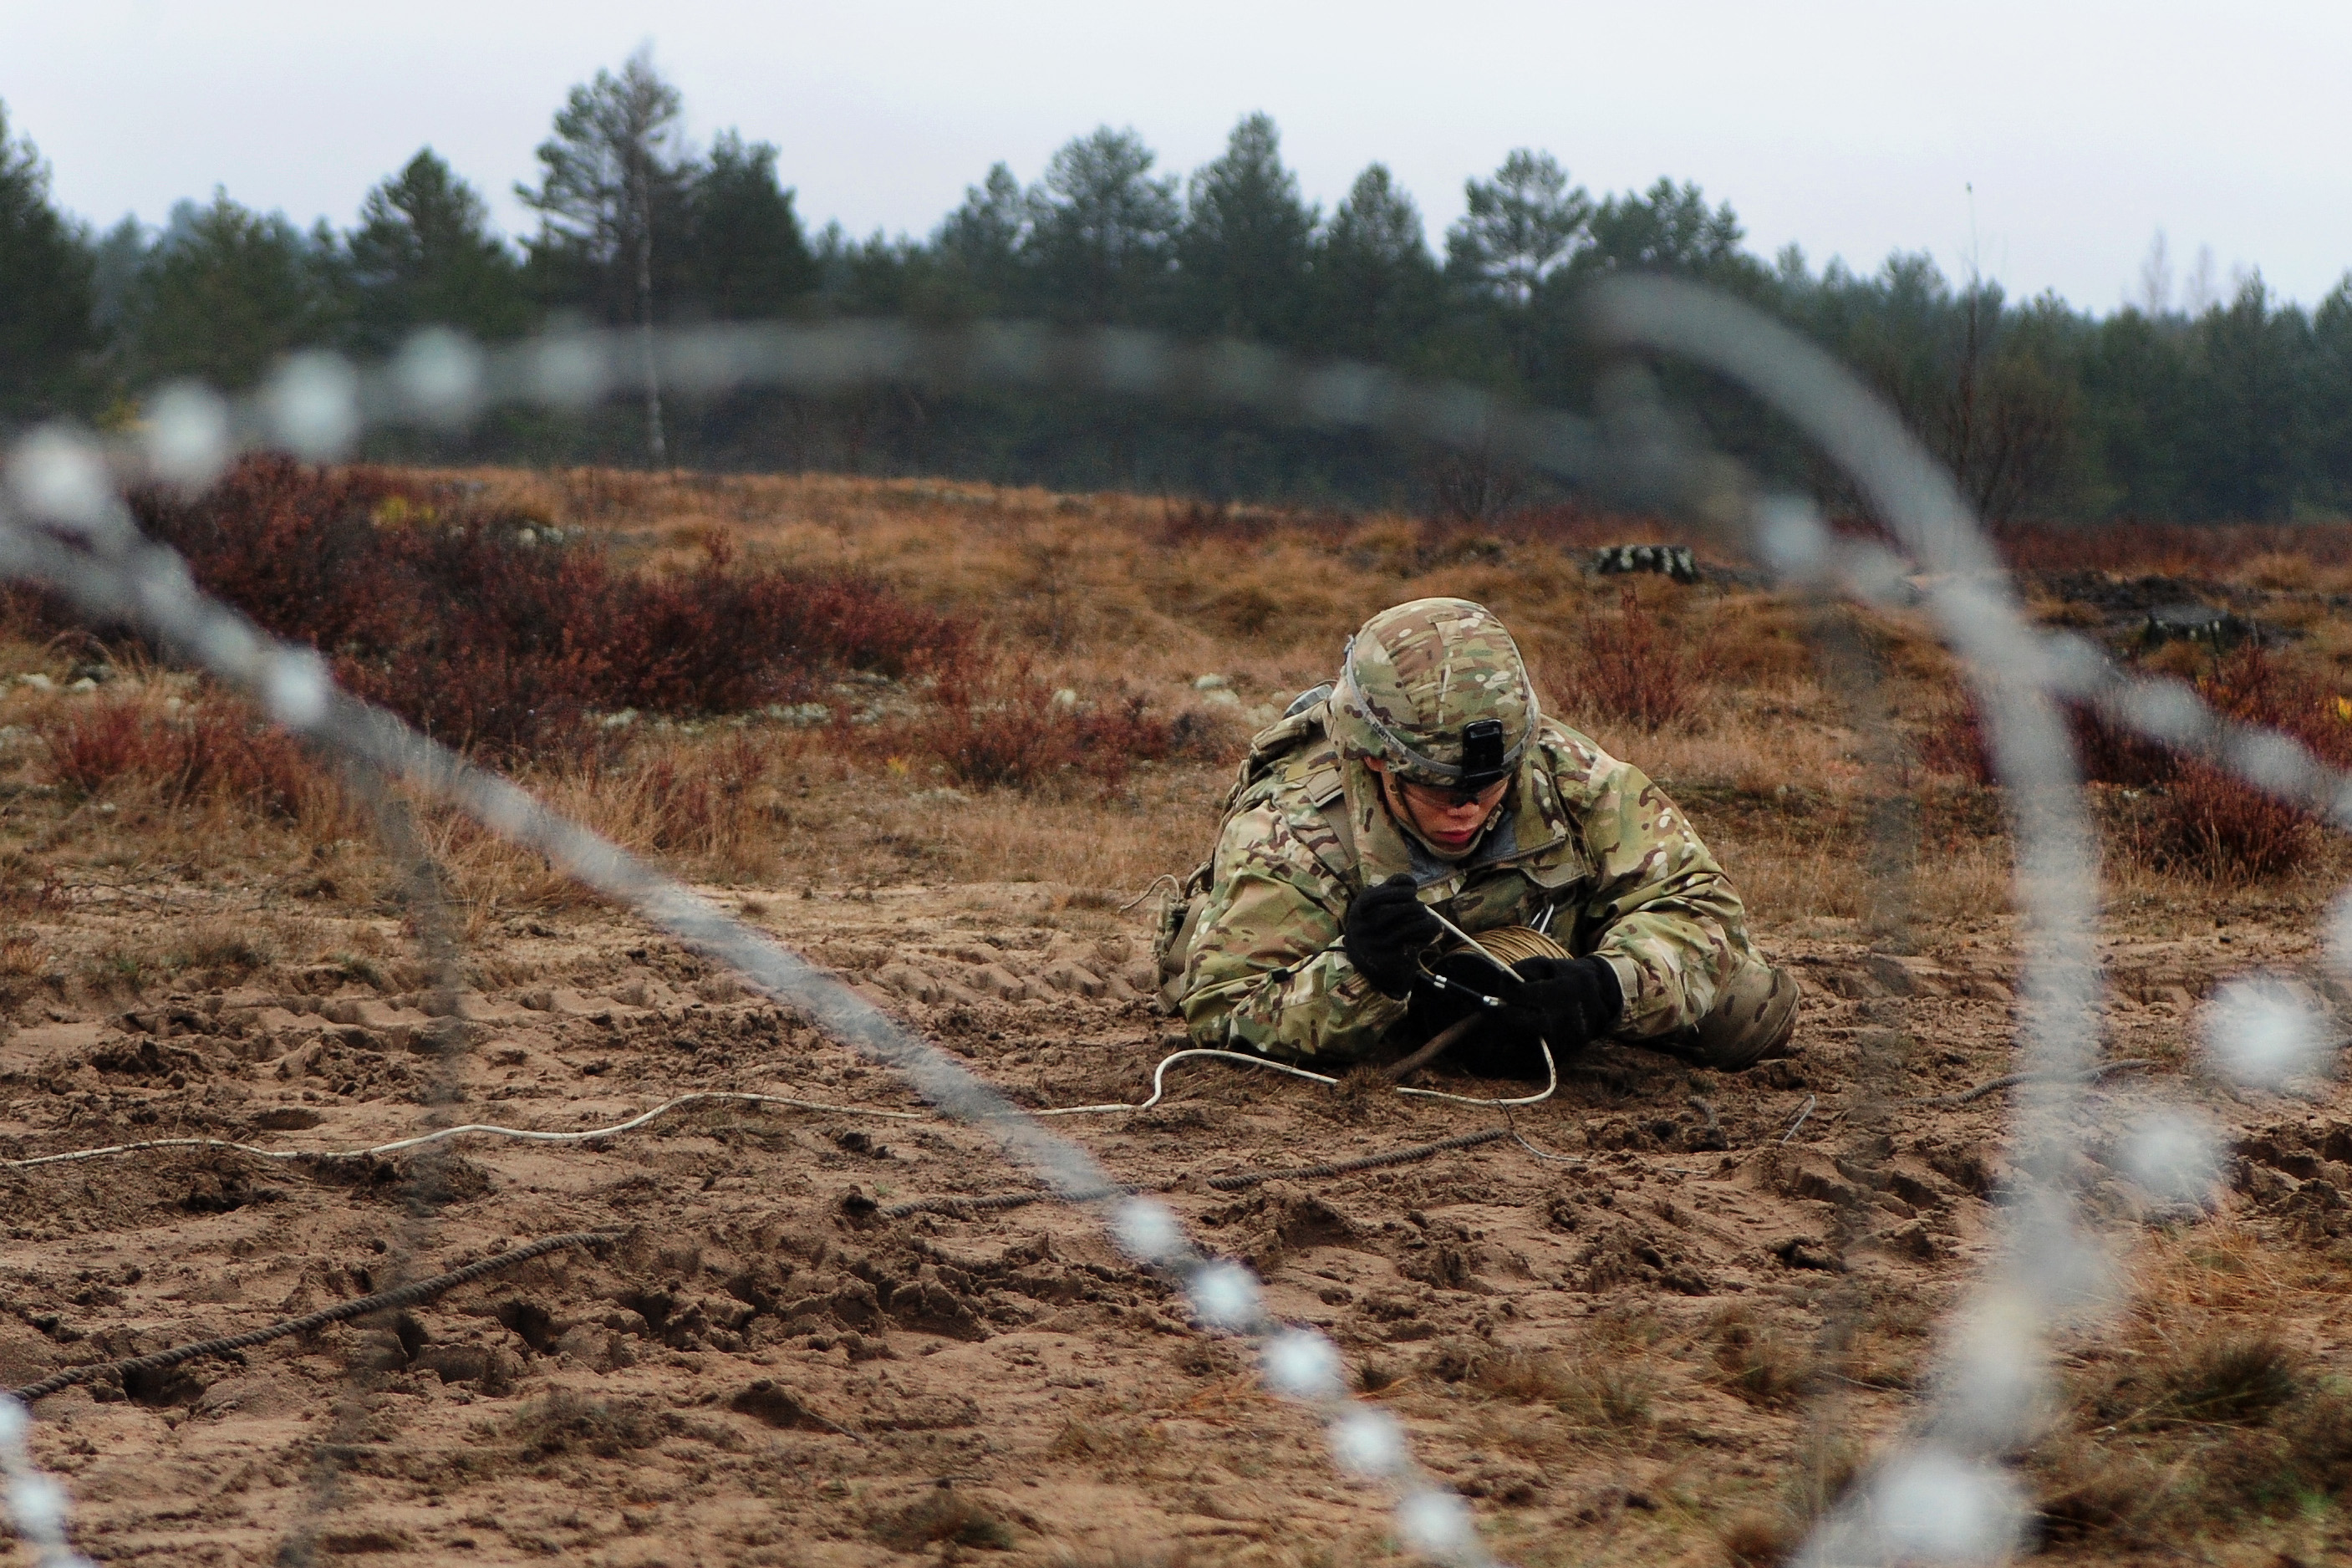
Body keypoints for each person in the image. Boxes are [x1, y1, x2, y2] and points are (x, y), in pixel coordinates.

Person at [1155, 596, 1797, 1074]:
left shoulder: (1567, 773)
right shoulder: (1296, 826)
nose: (1466, 809)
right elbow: (1223, 1008)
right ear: (1376, 758)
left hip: (1544, 965)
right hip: (1380, 997)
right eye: (1438, 789)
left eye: (1488, 786)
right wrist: (1363, 973)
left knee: (1748, 1011)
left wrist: (1608, 987)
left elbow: (1702, 903)